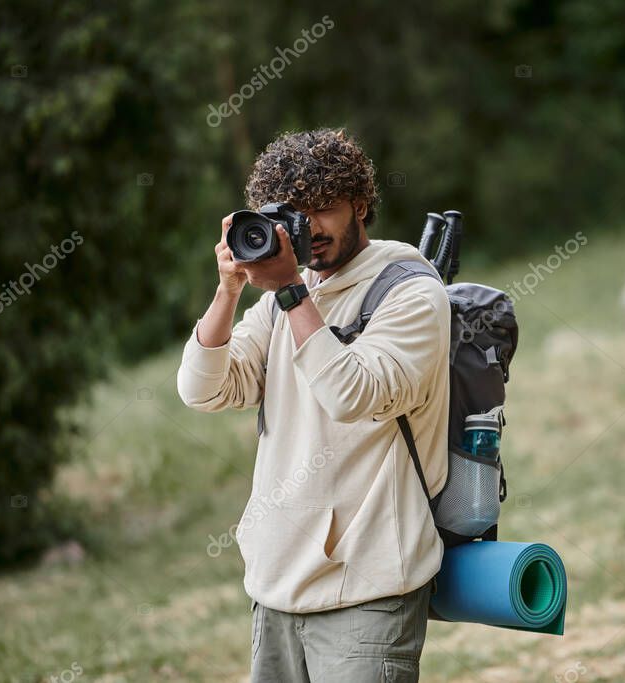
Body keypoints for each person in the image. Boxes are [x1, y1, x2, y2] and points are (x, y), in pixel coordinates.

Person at [177, 128, 450, 682]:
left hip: (369, 586)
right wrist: (230, 290)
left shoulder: (411, 292)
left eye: (324, 208)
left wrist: (289, 291)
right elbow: (202, 390)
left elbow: (354, 394)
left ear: (361, 203)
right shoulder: (283, 297)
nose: (310, 229)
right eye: (294, 213)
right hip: (277, 581)